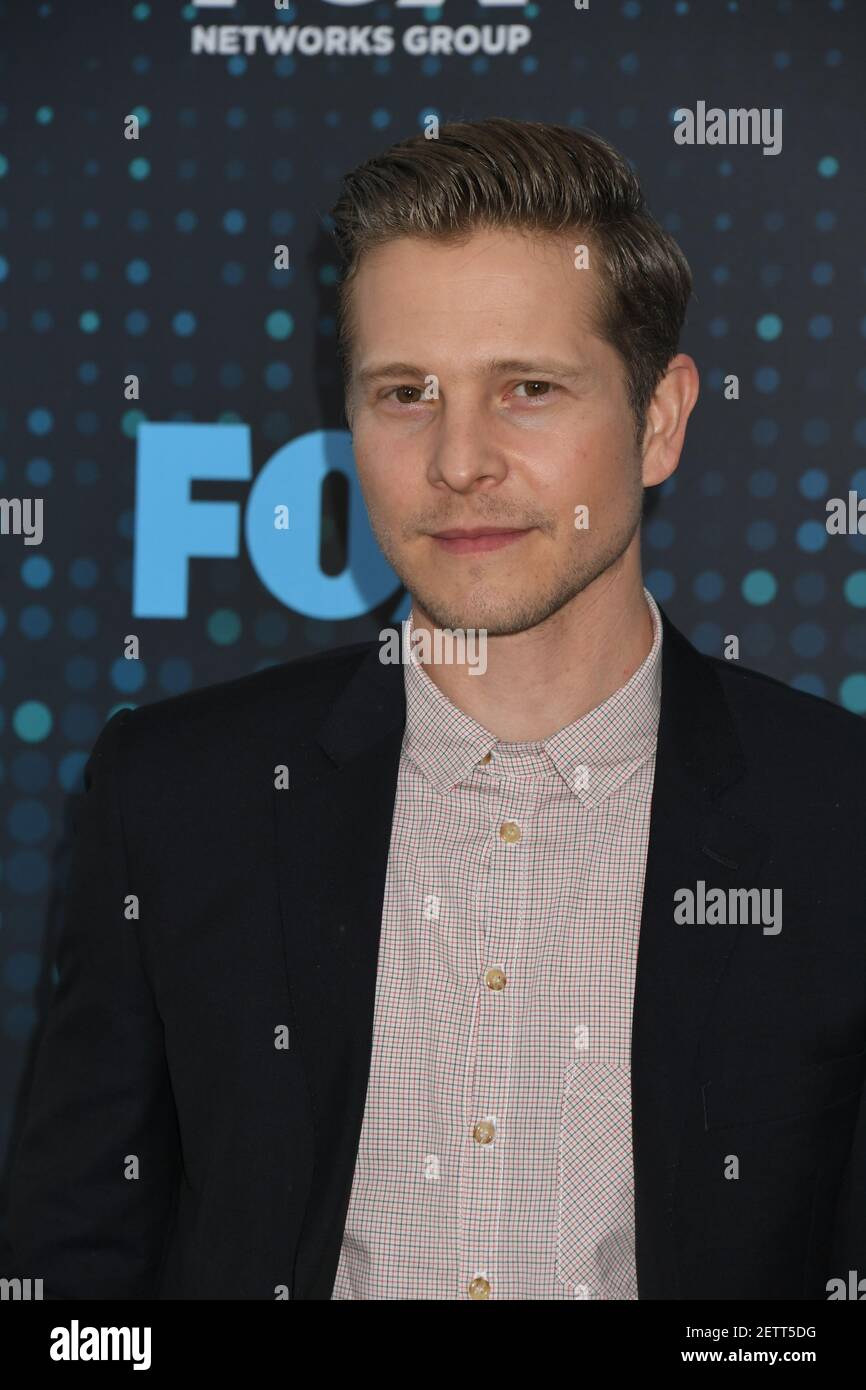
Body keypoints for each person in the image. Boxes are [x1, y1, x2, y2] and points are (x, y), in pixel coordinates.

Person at [7, 118, 866, 1300]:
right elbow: (74, 1279)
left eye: (527, 388)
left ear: (658, 420)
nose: (458, 459)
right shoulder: (174, 798)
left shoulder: (837, 819)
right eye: (405, 391)